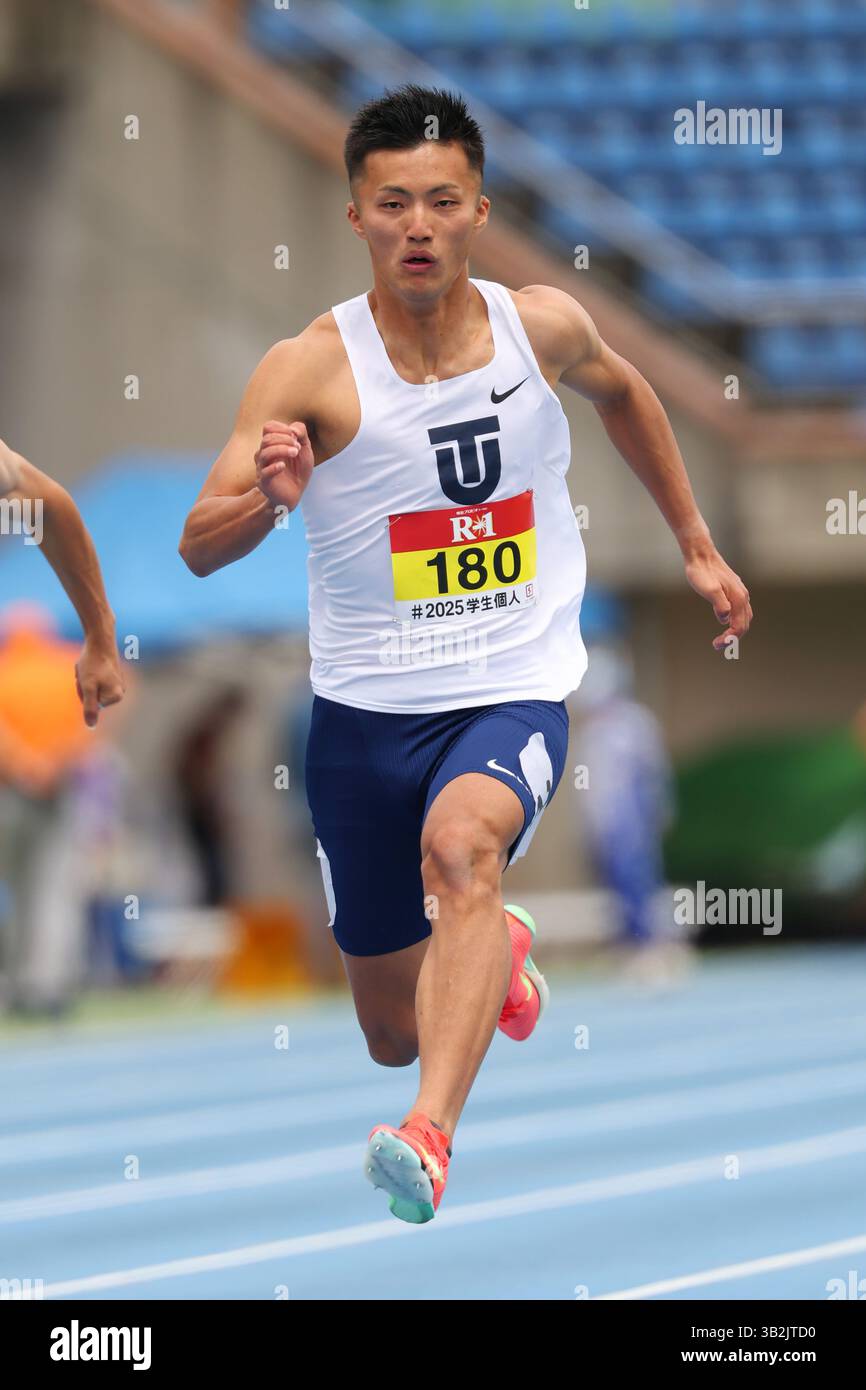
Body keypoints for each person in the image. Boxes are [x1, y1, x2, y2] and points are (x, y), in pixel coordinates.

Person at [179, 85, 752, 1223]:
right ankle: (492, 961)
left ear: (478, 209)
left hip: (509, 691)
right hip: (361, 718)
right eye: (392, 203)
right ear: (356, 218)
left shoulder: (538, 326)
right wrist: (272, 501)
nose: (418, 226)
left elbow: (627, 393)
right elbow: (201, 543)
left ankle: (428, 1137)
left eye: (441, 201)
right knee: (392, 1031)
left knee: (462, 851)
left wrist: (694, 545)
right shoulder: (308, 369)